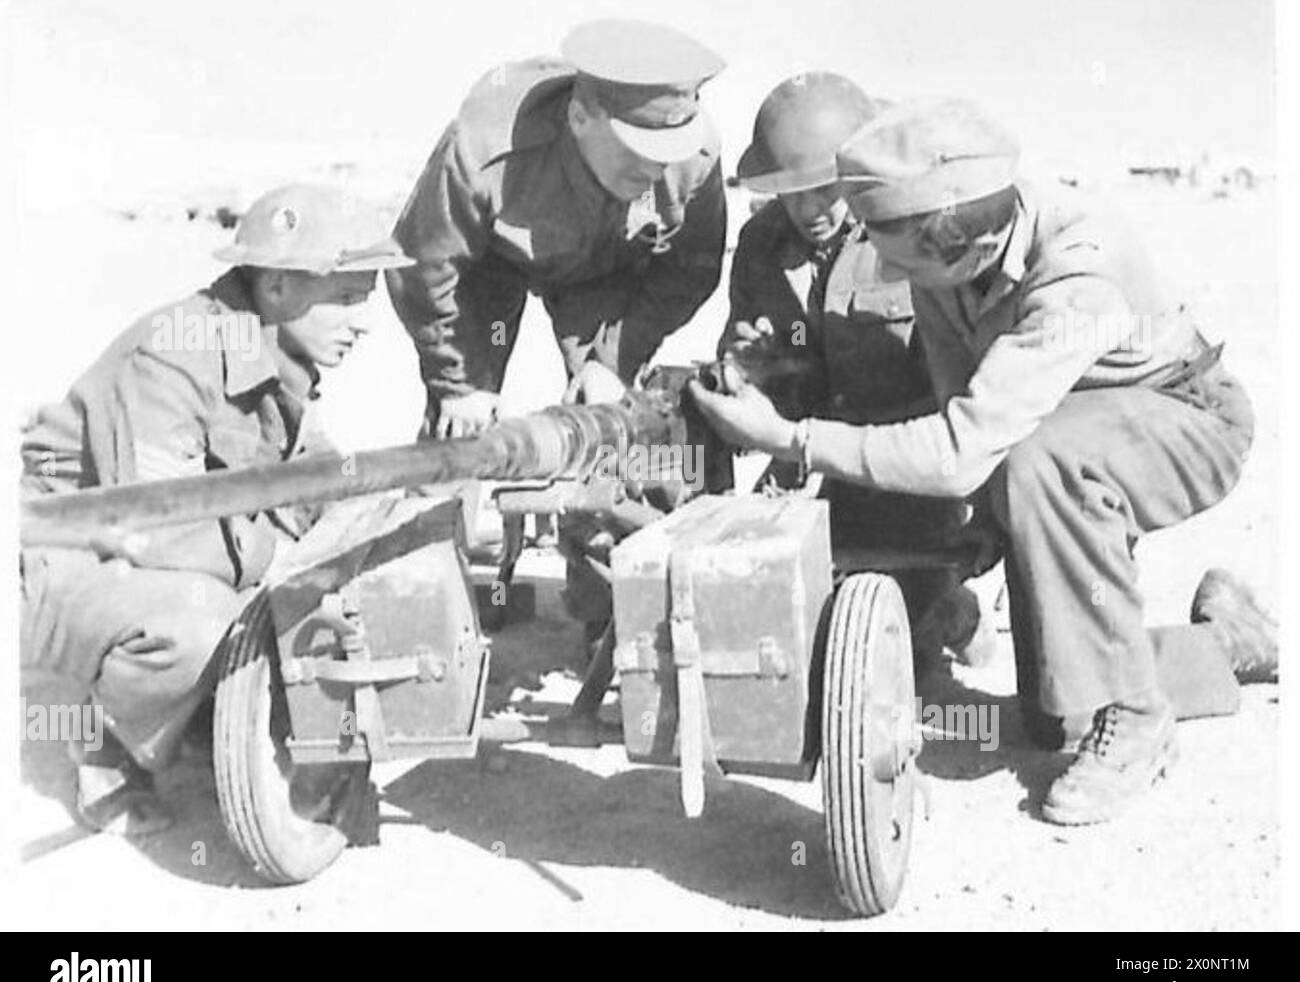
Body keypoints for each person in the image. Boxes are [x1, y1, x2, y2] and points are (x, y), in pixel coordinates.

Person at [689, 98, 1277, 825]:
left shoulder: (1077, 271)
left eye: (887, 246)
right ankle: (1228, 640)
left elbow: (965, 447)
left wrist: (791, 438)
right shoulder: (947, 255)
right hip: (1065, 422)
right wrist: (978, 528)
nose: (865, 251)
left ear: (958, 245)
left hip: (1184, 416)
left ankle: (1138, 713)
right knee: (1053, 709)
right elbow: (963, 403)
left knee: (1046, 463)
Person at [20, 183, 415, 834]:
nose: (364, 321)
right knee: (204, 623)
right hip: (53, 557)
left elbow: (302, 470)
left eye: (365, 299)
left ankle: (183, 715)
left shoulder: (269, 347)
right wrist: (280, 557)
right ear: (277, 287)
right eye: (346, 298)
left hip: (120, 554)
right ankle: (103, 751)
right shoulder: (172, 355)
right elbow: (155, 530)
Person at [385, 18, 728, 638]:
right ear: (580, 120)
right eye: (637, 158)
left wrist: (613, 358)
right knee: (463, 428)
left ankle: (611, 605)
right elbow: (426, 262)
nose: (655, 174)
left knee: (611, 422)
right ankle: (433, 602)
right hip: (486, 266)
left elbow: (688, 271)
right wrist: (460, 378)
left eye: (665, 160)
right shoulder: (485, 147)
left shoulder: (691, 157)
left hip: (608, 274)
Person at [724, 71, 992, 671]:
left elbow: (974, 387)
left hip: (912, 465)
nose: (807, 210)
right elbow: (751, 354)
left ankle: (952, 611)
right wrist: (754, 369)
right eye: (790, 193)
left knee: (891, 659)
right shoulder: (762, 245)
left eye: (823, 190)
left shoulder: (912, 227)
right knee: (786, 610)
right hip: (817, 452)